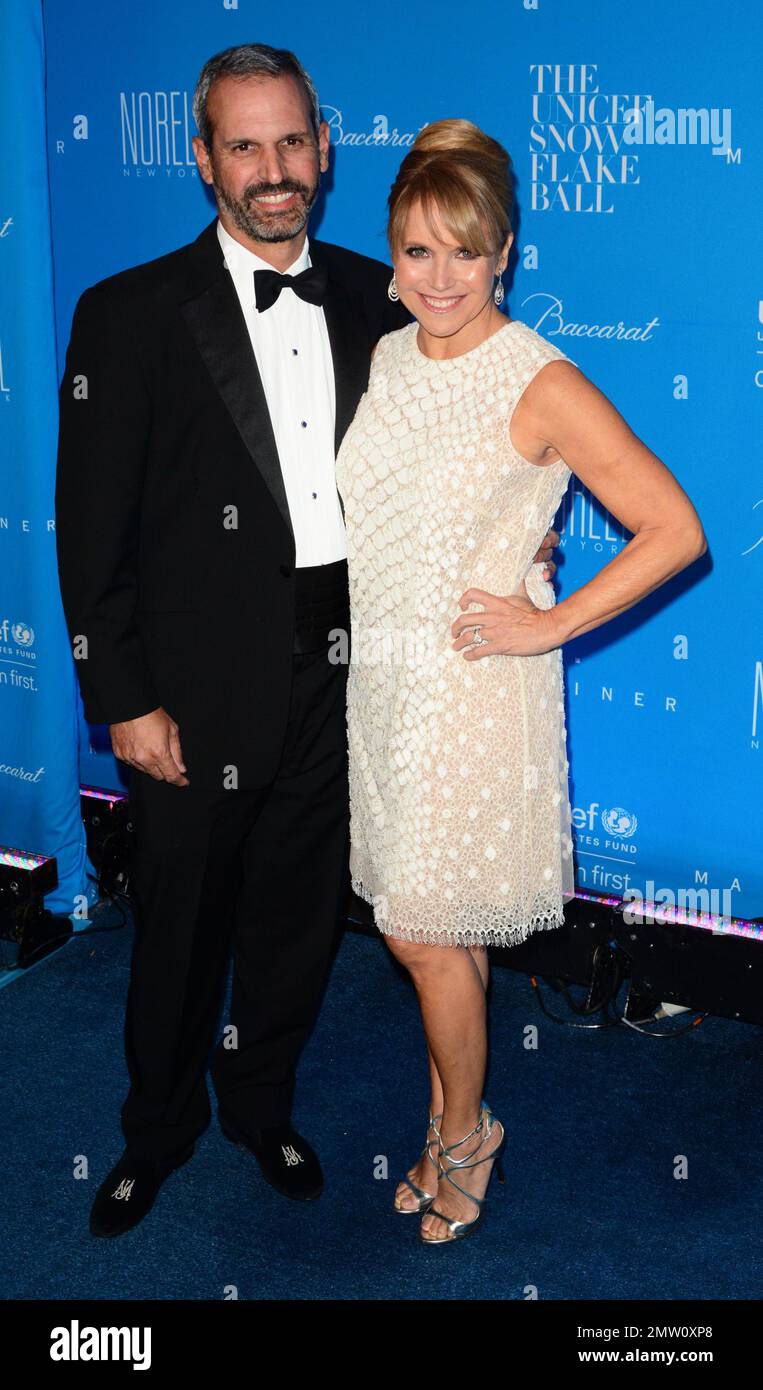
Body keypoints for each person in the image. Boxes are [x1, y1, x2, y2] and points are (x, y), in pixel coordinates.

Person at [54, 42, 564, 1238]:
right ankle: (155, 1130)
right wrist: (123, 699)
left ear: (324, 149)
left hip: (357, 668)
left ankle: (262, 1104)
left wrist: (522, 557)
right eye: (245, 145)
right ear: (203, 161)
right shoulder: (126, 316)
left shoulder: (384, 297)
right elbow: (91, 531)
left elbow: (472, 451)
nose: (273, 169)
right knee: (177, 922)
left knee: (295, 916)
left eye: (292, 141)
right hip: (190, 683)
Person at [335, 118, 707, 1246]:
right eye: (415, 251)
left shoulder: (537, 377)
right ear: (392, 256)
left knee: (420, 931)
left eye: (464, 251)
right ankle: (453, 1112)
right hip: (385, 689)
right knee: (427, 933)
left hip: (472, 694)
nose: (437, 277)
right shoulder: (389, 354)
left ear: (505, 254)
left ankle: (467, 1134)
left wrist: (544, 620)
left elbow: (673, 528)